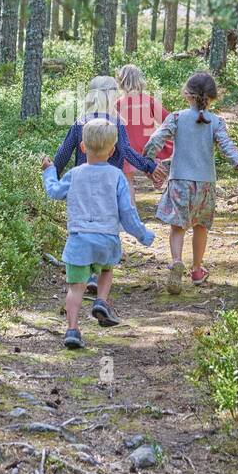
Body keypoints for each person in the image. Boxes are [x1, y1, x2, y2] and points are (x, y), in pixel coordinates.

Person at [41, 119, 155, 349]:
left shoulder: (75, 174)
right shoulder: (117, 177)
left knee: (76, 288)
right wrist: (143, 235)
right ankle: (101, 301)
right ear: (113, 150)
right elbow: (127, 213)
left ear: (82, 147)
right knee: (106, 269)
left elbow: (54, 191)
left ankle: (72, 329)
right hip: (107, 240)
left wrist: (49, 170)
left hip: (79, 240)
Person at [51, 77, 164, 295]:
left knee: (83, 225)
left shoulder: (81, 122)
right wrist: (148, 166)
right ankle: (99, 272)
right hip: (108, 186)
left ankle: (86, 274)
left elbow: (64, 152)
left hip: (82, 186)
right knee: (106, 226)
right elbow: (126, 151)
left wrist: (52, 174)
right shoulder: (115, 122)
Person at [144, 71, 238, 293]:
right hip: (205, 184)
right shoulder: (216, 122)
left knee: (178, 225)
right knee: (201, 226)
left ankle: (176, 261)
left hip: (179, 182)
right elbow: (226, 145)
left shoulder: (176, 117)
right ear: (212, 97)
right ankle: (196, 269)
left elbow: (156, 139)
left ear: (187, 94)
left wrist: (150, 162)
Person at [113, 64, 172, 205]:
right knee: (149, 161)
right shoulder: (149, 101)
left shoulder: (118, 104)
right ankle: (156, 174)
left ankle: (131, 214)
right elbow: (168, 120)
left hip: (127, 148)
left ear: (121, 81)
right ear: (140, 81)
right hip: (147, 146)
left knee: (128, 180)